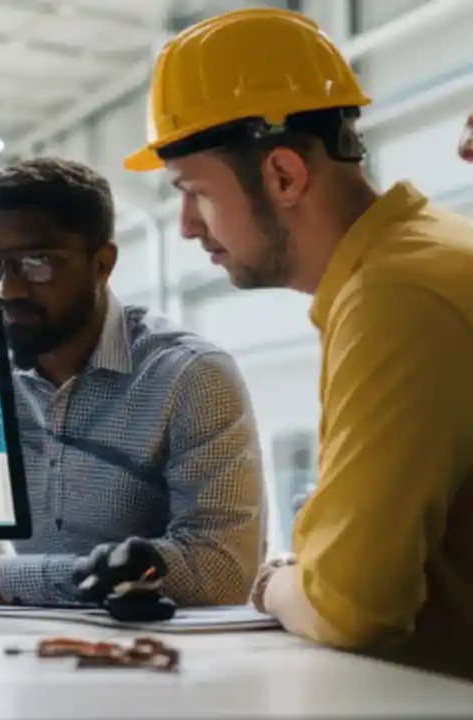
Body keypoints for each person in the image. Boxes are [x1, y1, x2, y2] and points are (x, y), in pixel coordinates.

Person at [126, 7, 473, 680]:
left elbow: (349, 604)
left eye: (194, 193)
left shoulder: (396, 295)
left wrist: (276, 580)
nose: (190, 228)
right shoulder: (418, 258)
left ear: (283, 176)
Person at [0, 156, 265, 608]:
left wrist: (13, 579)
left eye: (38, 263)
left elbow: (219, 569)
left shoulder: (190, 376)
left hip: (163, 657)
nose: (8, 290)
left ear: (102, 264)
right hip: (31, 644)